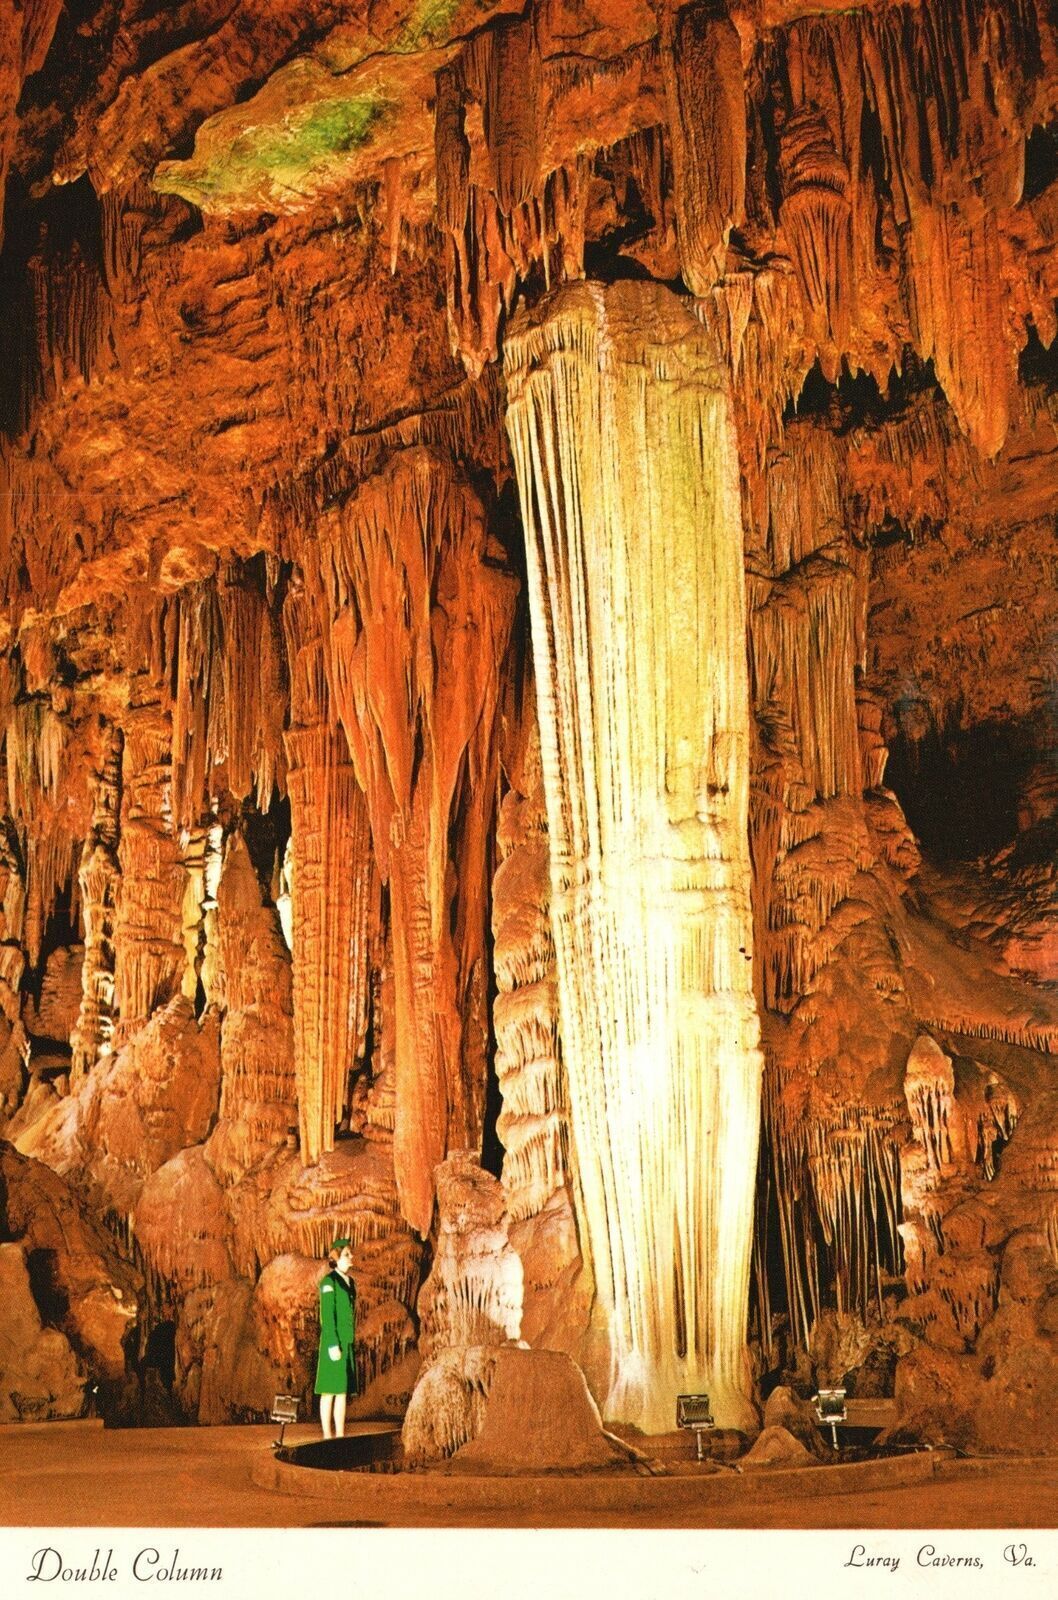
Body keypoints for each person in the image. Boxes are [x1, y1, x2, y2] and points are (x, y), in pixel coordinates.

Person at [315, 1236, 357, 1439]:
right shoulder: (328, 1282)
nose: (351, 1257)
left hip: (346, 1341)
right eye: (347, 1254)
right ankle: (327, 1435)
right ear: (337, 1258)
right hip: (333, 1342)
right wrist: (332, 1344)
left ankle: (340, 1434)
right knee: (328, 1391)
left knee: (341, 1390)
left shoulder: (350, 1282)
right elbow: (327, 1315)